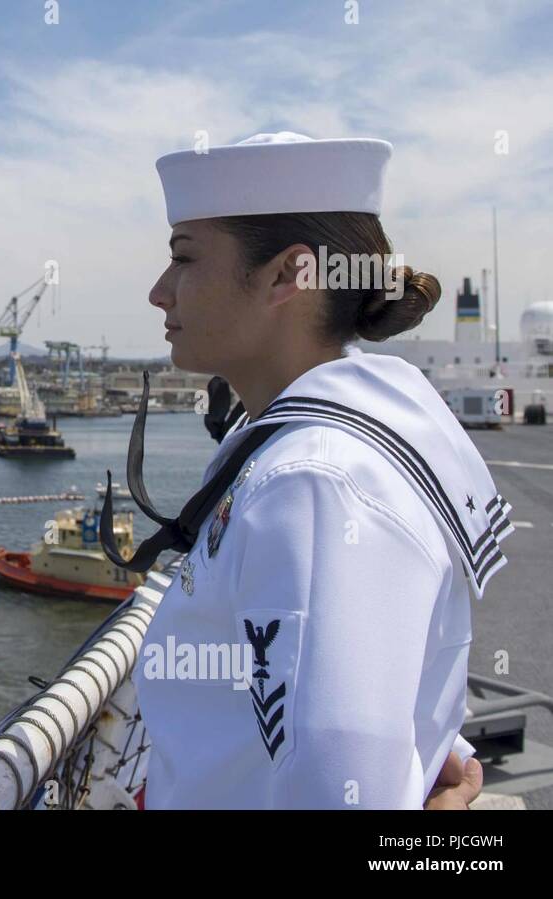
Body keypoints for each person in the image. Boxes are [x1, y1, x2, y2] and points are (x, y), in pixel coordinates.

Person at [100, 132, 513, 809]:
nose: (158, 290)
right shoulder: (304, 442)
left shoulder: (316, 484)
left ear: (290, 275)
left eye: (183, 257)